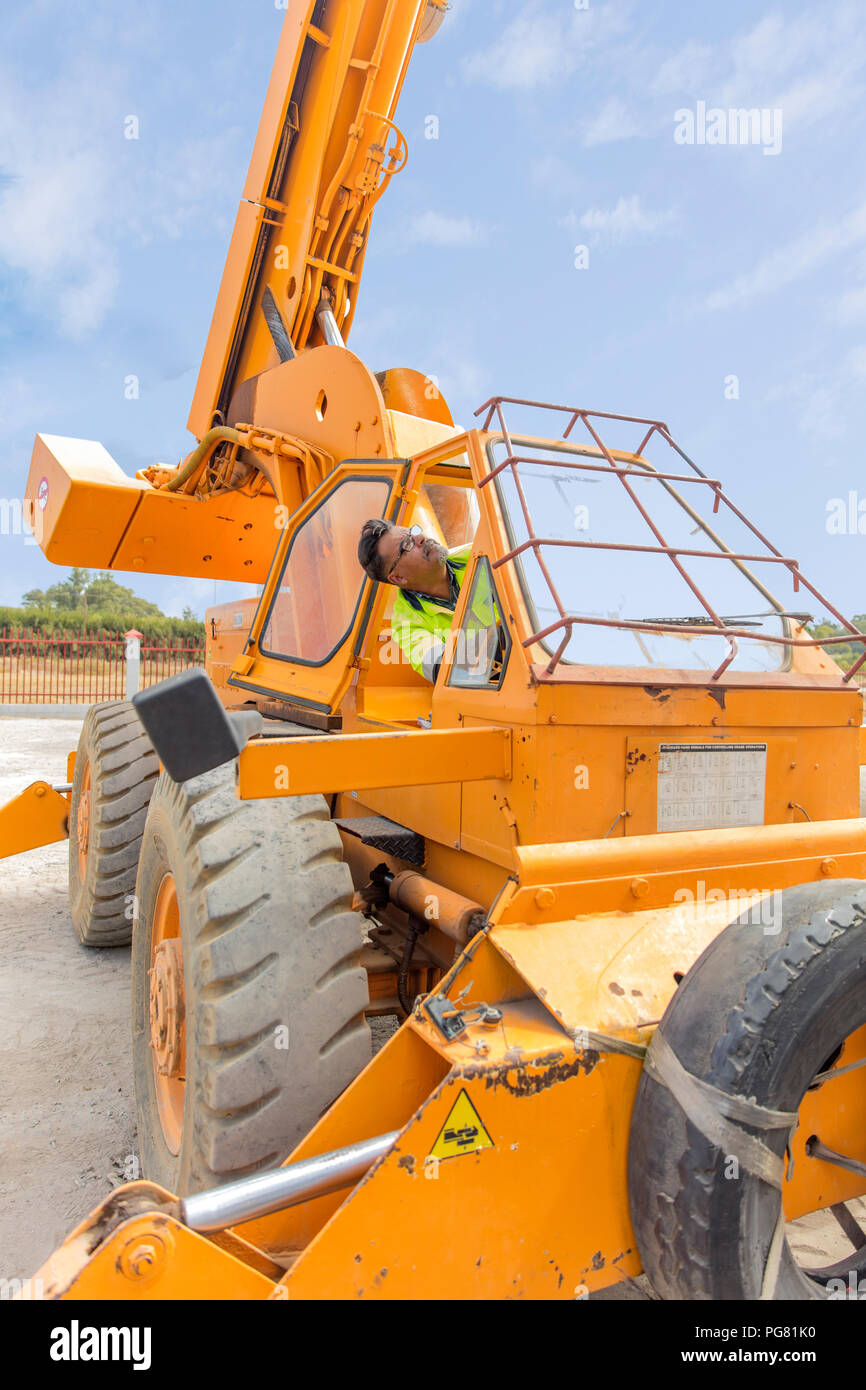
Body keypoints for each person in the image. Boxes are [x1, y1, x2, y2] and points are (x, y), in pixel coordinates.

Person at [358, 518, 491, 683]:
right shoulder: (406, 624)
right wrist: (501, 636)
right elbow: (447, 672)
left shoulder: (480, 554)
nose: (420, 538)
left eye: (413, 532)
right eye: (407, 544)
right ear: (398, 578)